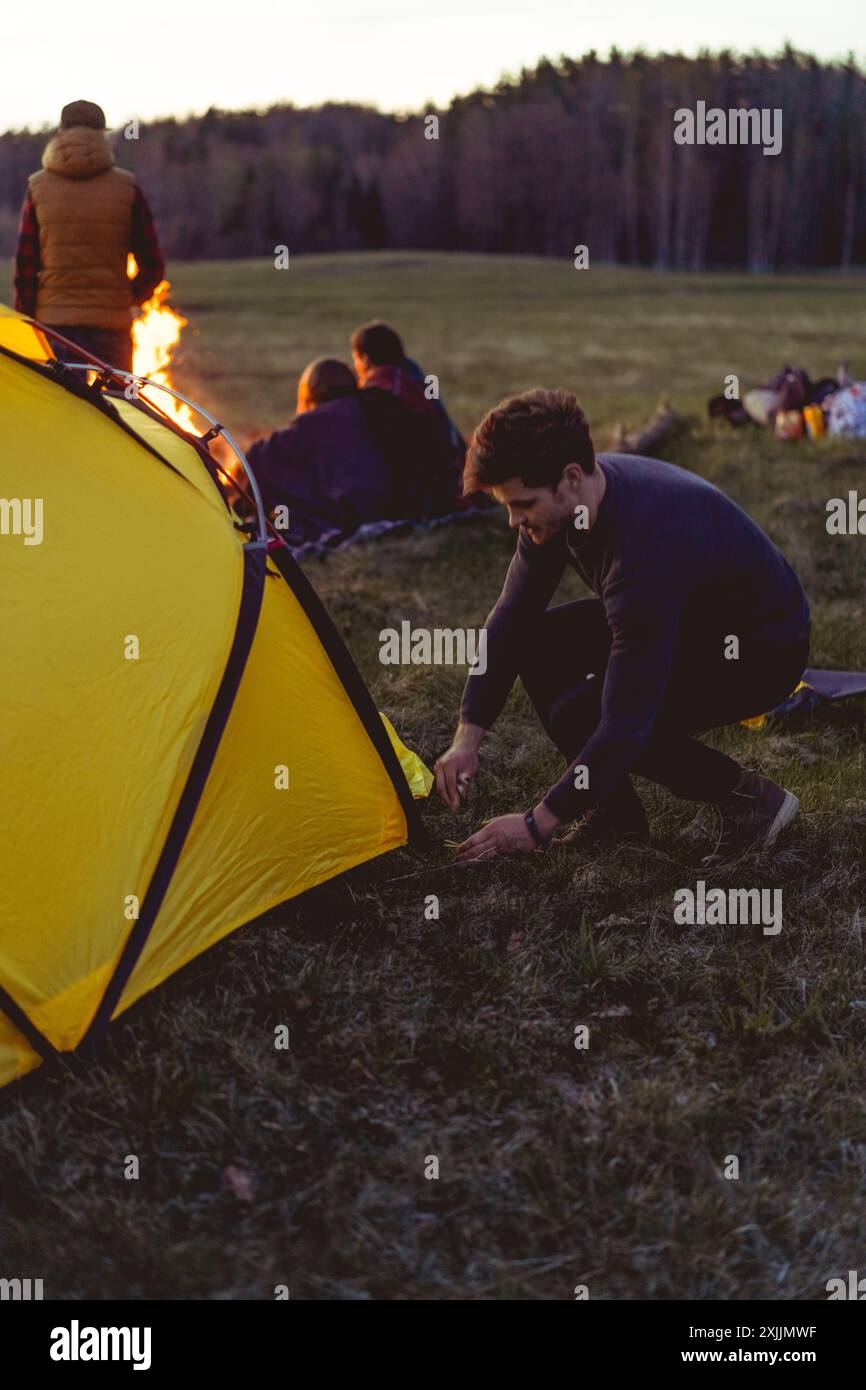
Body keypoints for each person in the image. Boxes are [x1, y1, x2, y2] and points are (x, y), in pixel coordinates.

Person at [434, 389, 810, 863]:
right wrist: (467, 737)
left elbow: (625, 723)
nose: (513, 520)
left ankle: (750, 798)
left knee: (584, 714)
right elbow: (512, 619)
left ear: (569, 479)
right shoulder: (567, 503)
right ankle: (617, 818)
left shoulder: (644, 550)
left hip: (761, 649)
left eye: (522, 504)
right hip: (684, 621)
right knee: (538, 643)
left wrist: (535, 825)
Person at [13, 99, 164, 373]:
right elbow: (153, 266)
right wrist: (124, 298)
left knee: (64, 412)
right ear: (102, 135)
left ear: (60, 134)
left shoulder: (37, 188)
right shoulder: (127, 187)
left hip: (56, 330)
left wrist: (29, 318)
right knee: (119, 411)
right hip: (112, 329)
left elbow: (25, 269)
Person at [246, 358, 393, 544]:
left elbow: (263, 458)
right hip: (387, 503)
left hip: (352, 508)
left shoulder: (317, 421)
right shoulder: (373, 409)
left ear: (312, 390)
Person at [350, 320, 464, 516]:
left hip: (419, 498)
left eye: (356, 360)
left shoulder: (378, 394)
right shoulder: (416, 380)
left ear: (365, 359)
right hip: (452, 485)